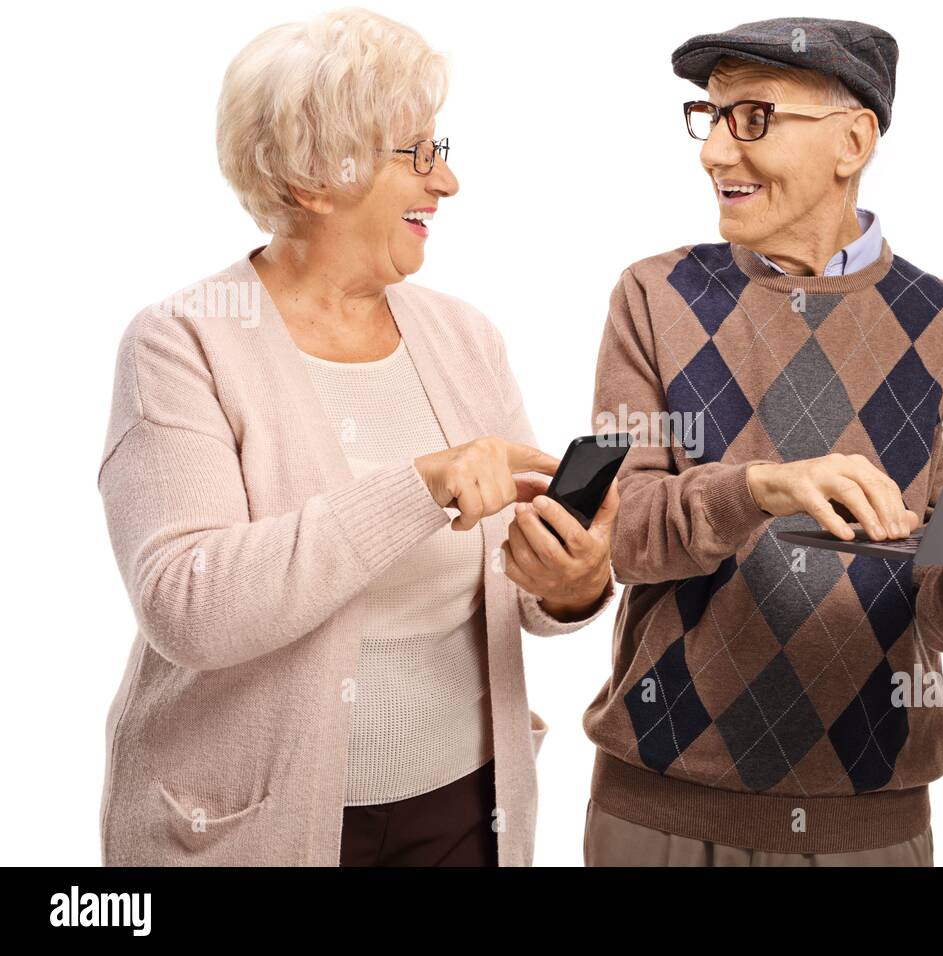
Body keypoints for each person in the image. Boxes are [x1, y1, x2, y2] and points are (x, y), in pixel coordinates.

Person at [581, 17, 943, 866]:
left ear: (854, 140)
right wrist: (761, 487)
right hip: (653, 812)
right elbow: (621, 536)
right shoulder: (655, 295)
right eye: (711, 116)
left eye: (754, 117)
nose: (714, 152)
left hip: (867, 826)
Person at [96, 7, 615, 867]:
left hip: (464, 813)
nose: (446, 184)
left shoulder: (463, 336)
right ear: (313, 175)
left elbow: (520, 590)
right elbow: (187, 606)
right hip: (258, 827)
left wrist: (570, 581)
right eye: (417, 154)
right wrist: (419, 488)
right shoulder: (182, 341)